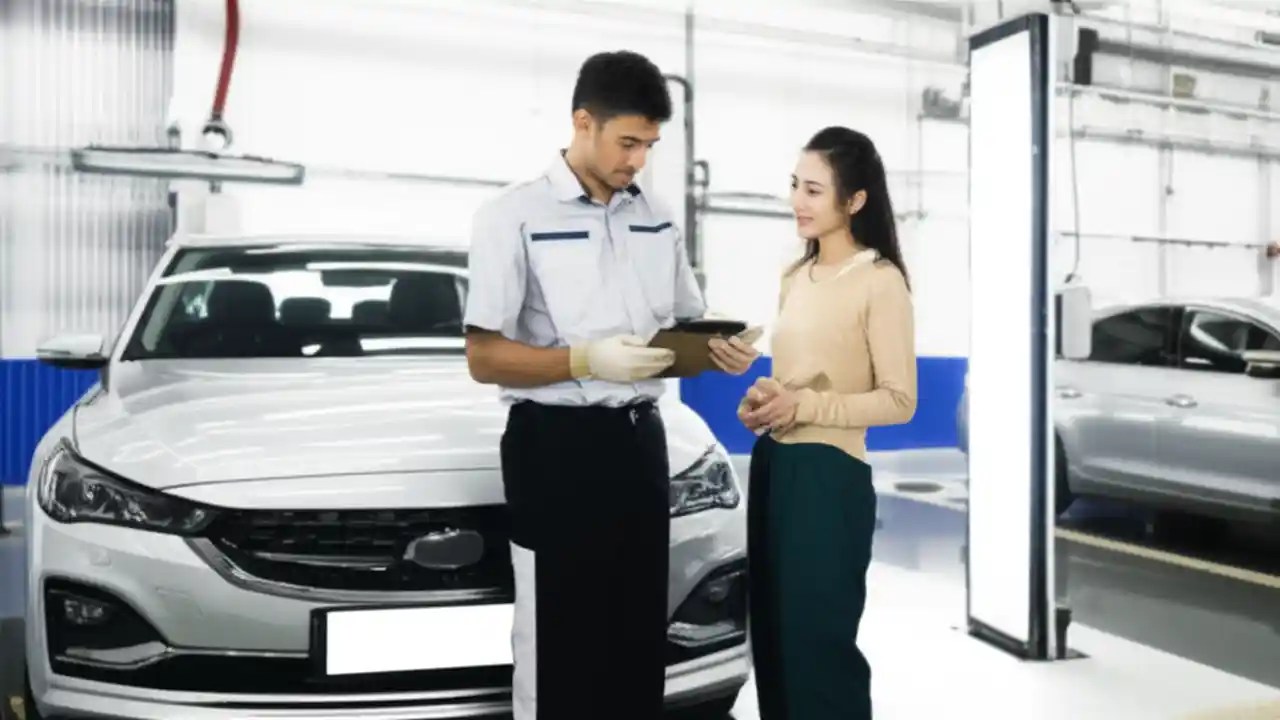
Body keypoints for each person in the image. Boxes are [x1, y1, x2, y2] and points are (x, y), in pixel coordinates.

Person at [462, 50, 758, 720]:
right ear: (582, 123)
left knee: (632, 640)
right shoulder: (512, 217)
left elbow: (682, 324)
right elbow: (484, 356)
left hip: (639, 447)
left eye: (649, 146)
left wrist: (715, 350)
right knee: (562, 644)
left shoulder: (653, 217)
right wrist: (586, 360)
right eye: (628, 142)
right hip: (556, 450)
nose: (638, 161)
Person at [738, 126, 918, 720]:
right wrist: (765, 399)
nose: (798, 201)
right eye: (795, 186)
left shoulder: (879, 281)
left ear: (855, 201)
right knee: (774, 643)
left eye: (814, 190)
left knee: (818, 647)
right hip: (776, 465)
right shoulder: (795, 275)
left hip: (829, 476)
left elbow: (899, 401)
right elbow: (799, 379)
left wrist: (805, 408)